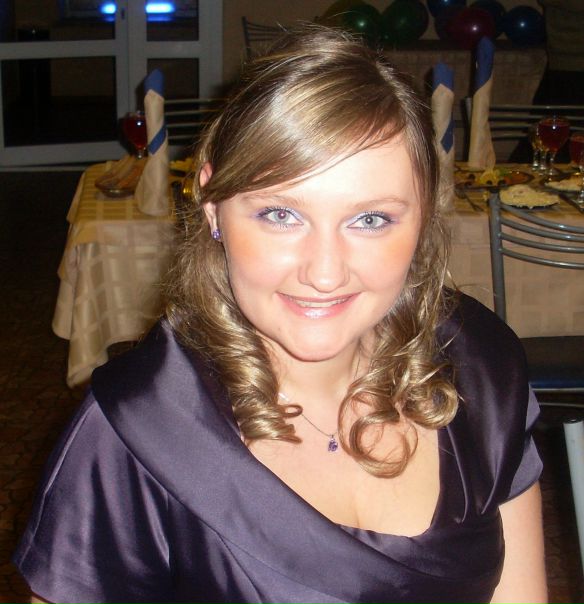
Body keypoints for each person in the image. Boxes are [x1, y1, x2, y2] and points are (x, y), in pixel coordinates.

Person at [14, 25, 547, 604]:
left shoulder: (479, 366)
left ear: (424, 215)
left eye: (370, 219)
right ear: (213, 205)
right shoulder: (137, 431)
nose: (325, 273)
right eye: (280, 214)